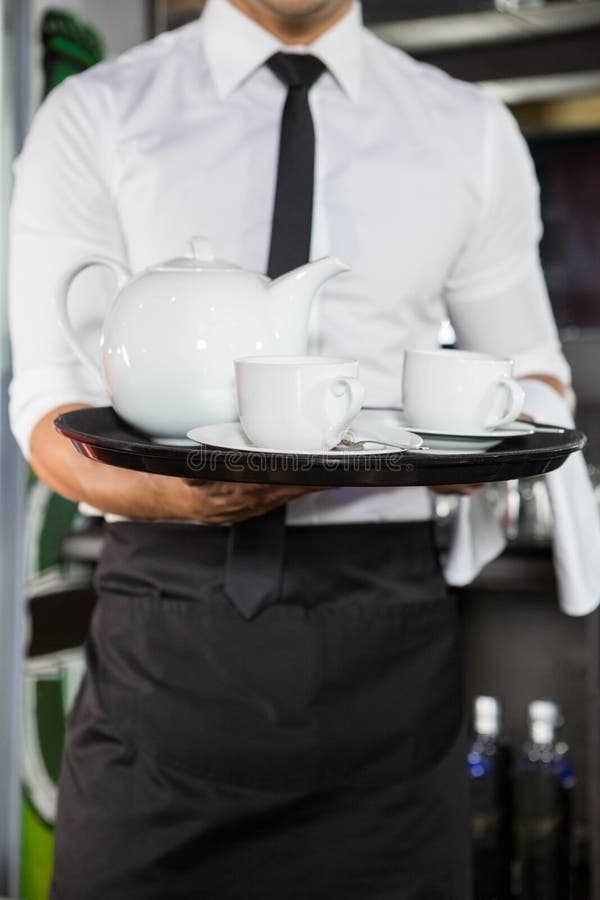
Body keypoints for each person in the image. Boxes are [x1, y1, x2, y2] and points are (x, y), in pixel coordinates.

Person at [9, 0, 571, 897]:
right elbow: (48, 413)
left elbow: (536, 382)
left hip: (387, 657)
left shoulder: (469, 130)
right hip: (168, 641)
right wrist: (180, 497)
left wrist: (463, 443)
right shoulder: (98, 113)